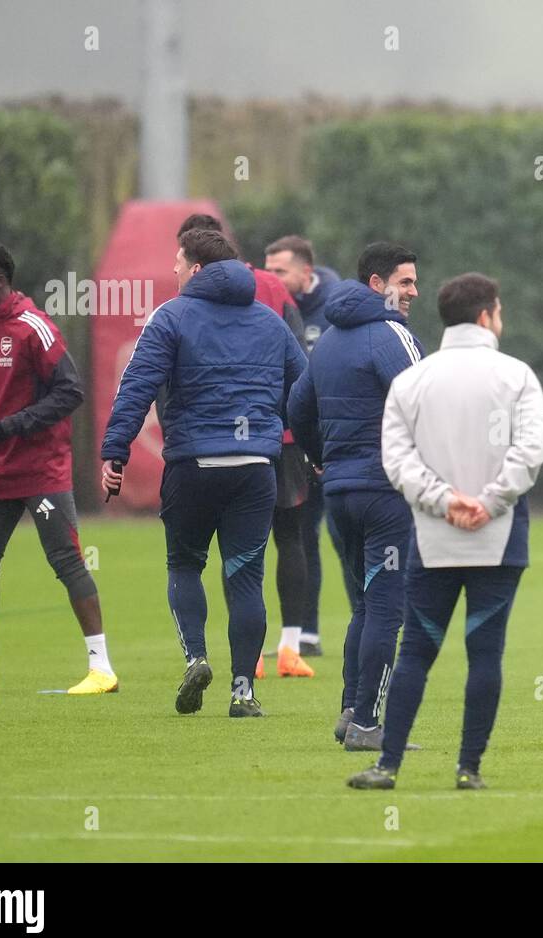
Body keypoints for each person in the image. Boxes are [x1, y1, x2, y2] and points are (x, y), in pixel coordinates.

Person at [347, 273, 543, 790]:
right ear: (486, 316)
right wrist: (488, 501)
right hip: (498, 536)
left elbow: (397, 459)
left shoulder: (413, 380)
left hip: (433, 537)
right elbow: (529, 454)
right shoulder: (517, 375)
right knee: (485, 653)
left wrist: (442, 500)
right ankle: (468, 769)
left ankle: (387, 766)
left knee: (416, 650)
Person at [101, 228, 306, 717]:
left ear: (195, 268)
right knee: (246, 580)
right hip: (256, 467)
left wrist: (115, 450)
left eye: (177, 262)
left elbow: (137, 386)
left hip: (193, 464)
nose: (172, 270)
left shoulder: (170, 317)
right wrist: (311, 448)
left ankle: (195, 657)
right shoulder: (269, 320)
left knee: (185, 565)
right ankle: (244, 693)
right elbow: (305, 388)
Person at [0, 242, 116, 697]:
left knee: (66, 561)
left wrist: (5, 429)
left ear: (0, 281)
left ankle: (102, 669)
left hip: (41, 471)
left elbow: (70, 392)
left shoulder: (32, 328)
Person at [287, 241, 425, 750]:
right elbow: (425, 402)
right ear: (377, 284)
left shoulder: (326, 341)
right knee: (388, 610)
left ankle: (351, 711)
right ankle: (368, 724)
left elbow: (297, 406)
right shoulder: (392, 335)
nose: (414, 291)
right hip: (386, 491)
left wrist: (323, 456)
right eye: (406, 282)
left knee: (365, 607)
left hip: (341, 491)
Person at [176, 215, 316, 679]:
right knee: (290, 538)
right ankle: (290, 647)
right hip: (283, 438)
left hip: (220, 444)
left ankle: (249, 657)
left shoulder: (186, 303)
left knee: (236, 549)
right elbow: (299, 364)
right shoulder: (273, 291)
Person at [264, 235, 345, 659]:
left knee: (346, 534)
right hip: (299, 446)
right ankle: (306, 632)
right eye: (268, 269)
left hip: (340, 443)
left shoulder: (337, 307)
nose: (270, 278)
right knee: (302, 535)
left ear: (306, 274)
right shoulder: (272, 308)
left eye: (279, 271)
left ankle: (372, 623)